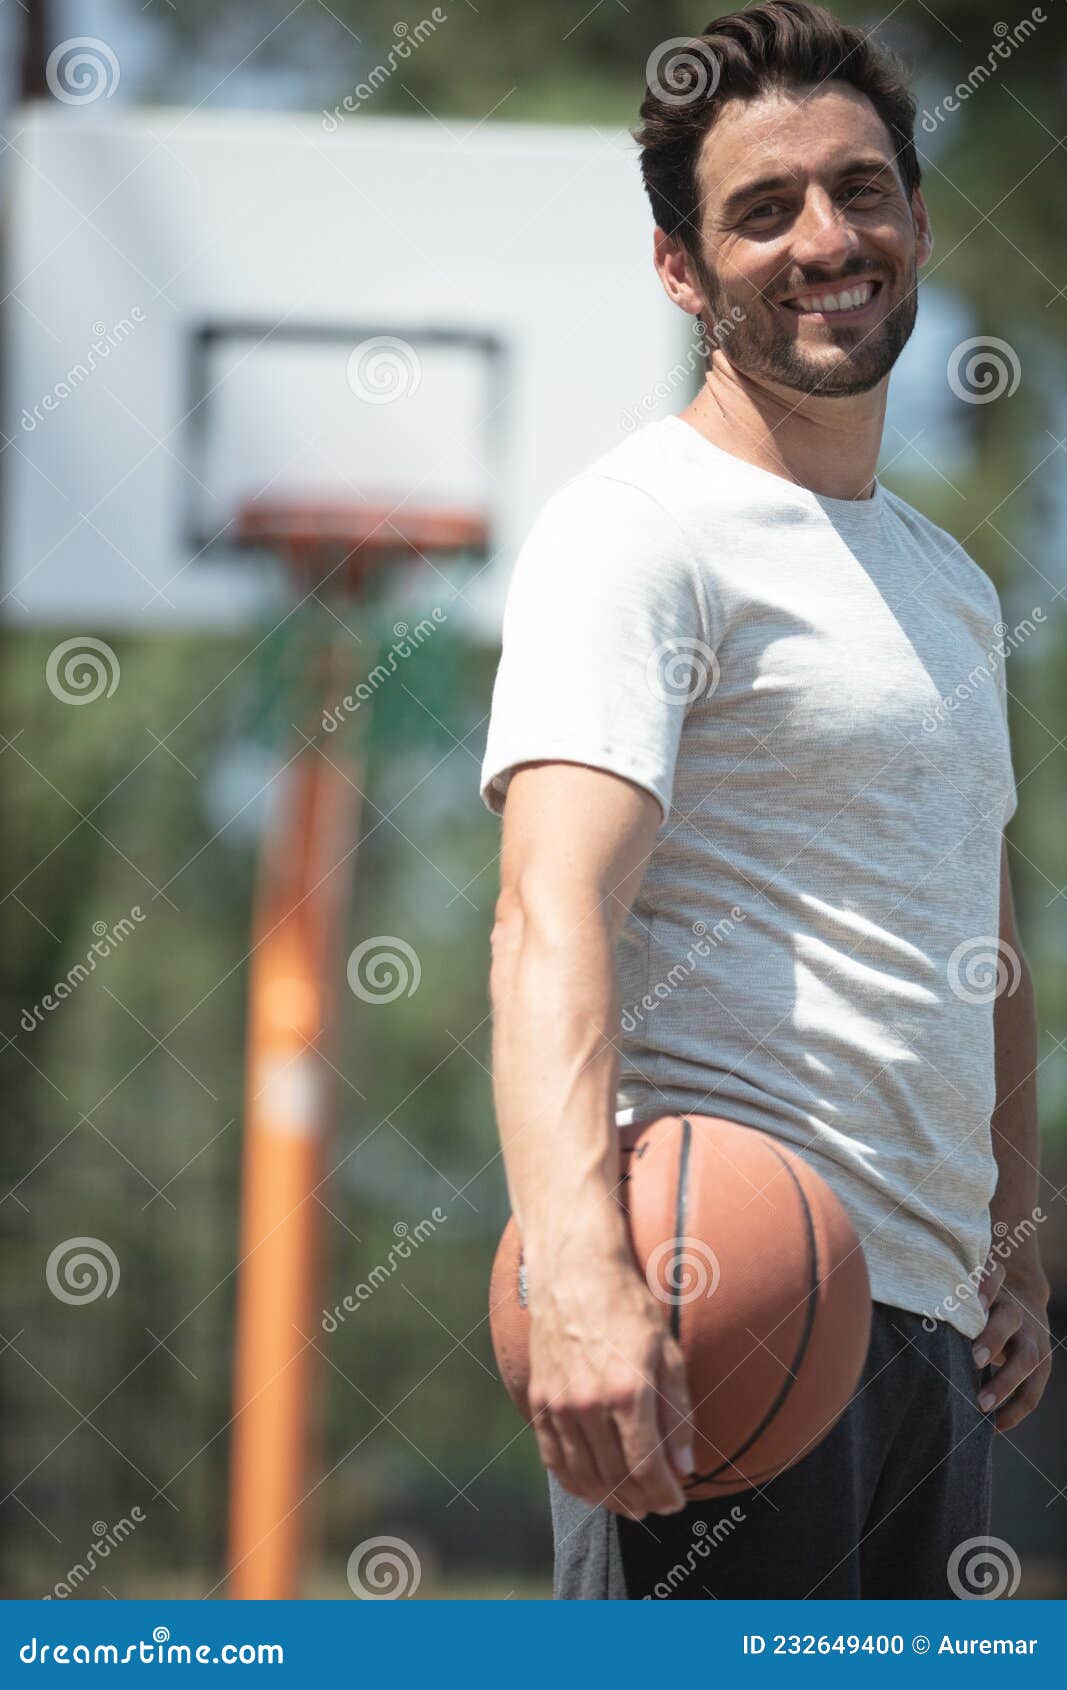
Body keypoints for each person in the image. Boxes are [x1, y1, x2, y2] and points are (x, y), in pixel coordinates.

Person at [479, 0, 1051, 1599]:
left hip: (930, 1329)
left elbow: (979, 930)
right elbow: (550, 912)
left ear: (919, 221)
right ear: (683, 270)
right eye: (763, 208)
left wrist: (1012, 1232)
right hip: (714, 1313)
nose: (828, 236)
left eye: (861, 189)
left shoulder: (946, 586)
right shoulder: (639, 530)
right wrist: (588, 1271)